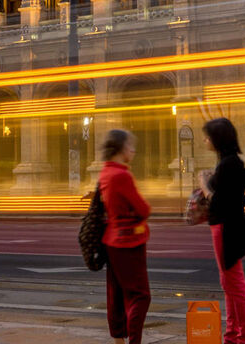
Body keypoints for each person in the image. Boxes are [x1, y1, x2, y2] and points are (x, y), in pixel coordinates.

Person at [201, 117, 245, 344]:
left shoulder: (228, 164)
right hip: (227, 227)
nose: (205, 140)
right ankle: (232, 334)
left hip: (225, 228)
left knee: (235, 285)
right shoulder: (230, 162)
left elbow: (216, 202)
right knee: (229, 284)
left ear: (217, 139)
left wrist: (203, 184)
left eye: (207, 136)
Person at [98, 129, 152, 344]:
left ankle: (118, 340)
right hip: (129, 241)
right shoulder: (122, 175)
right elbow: (143, 209)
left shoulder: (105, 171)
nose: (134, 150)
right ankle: (134, 341)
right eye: (130, 146)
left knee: (116, 295)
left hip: (111, 241)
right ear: (121, 149)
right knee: (140, 296)